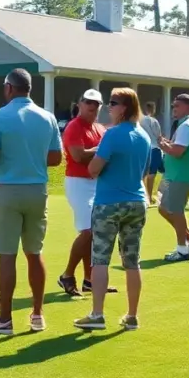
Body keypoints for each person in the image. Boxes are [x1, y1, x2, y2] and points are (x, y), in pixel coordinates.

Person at [0, 68, 62, 335]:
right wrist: (32, 157)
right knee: (34, 254)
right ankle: (37, 314)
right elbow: (56, 158)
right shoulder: (47, 117)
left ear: (9, 88)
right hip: (37, 190)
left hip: (9, 191)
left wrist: (5, 155)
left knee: (7, 256)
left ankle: (4, 319)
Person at [73, 88, 149, 331]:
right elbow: (144, 171)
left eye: (113, 103)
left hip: (108, 202)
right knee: (132, 260)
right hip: (136, 202)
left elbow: (93, 168)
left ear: (124, 107)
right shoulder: (145, 137)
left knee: (100, 259)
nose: (109, 107)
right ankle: (132, 316)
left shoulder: (112, 135)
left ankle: (97, 314)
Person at [57, 88, 106, 298]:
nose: (92, 107)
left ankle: (89, 280)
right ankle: (67, 274)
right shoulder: (73, 127)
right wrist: (102, 150)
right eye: (88, 102)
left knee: (93, 234)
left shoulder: (100, 129)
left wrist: (102, 150)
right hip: (78, 182)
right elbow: (78, 156)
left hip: (96, 183)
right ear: (80, 103)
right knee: (88, 232)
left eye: (96, 104)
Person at [157, 94, 189, 263]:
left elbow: (178, 152)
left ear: (186, 107)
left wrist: (163, 145)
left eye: (176, 106)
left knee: (175, 211)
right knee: (164, 208)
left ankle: (182, 249)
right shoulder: (188, 124)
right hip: (179, 174)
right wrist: (167, 143)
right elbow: (178, 146)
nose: (174, 109)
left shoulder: (187, 125)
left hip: (182, 175)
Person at [140, 102, 163, 207]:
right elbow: (158, 136)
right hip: (154, 149)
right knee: (153, 175)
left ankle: (147, 196)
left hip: (144, 149)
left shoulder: (139, 121)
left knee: (145, 174)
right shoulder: (153, 121)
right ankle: (150, 196)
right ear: (153, 109)